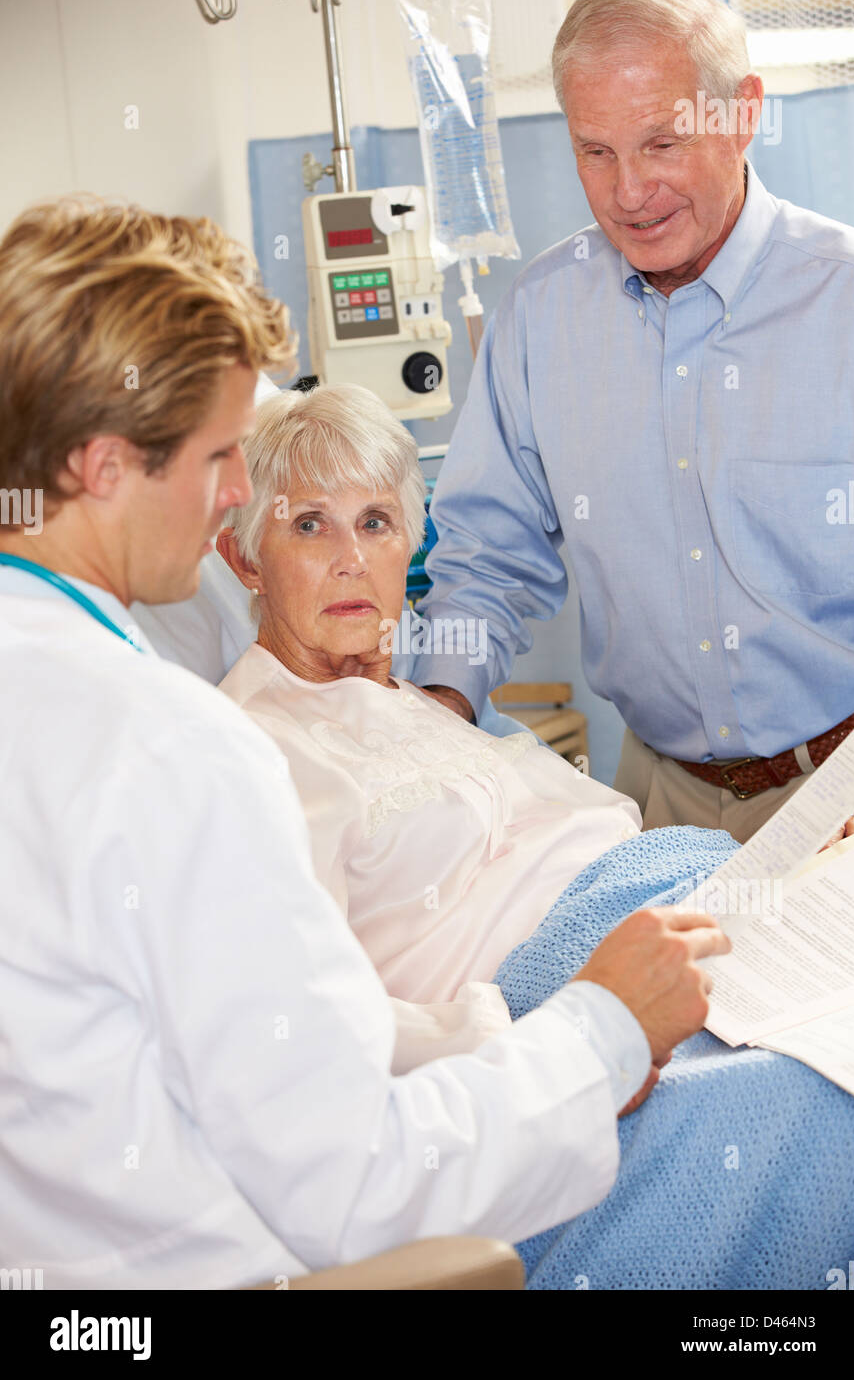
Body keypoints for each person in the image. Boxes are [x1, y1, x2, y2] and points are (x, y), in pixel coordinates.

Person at [0, 194, 726, 1289]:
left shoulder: (72, 701)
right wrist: (600, 1026)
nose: (235, 497)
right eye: (217, 459)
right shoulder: (177, 750)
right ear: (105, 467)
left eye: (373, 522)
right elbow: (351, 1174)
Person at [410, 0, 854, 845]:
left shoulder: (851, 304)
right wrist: (435, 712)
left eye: (662, 143)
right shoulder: (540, 317)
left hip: (847, 792)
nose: (629, 192)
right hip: (657, 795)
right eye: (596, 151)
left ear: (743, 115)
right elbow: (484, 554)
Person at [216, 382, 642, 1070]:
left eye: (376, 522)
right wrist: (519, 1052)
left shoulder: (425, 704)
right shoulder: (256, 750)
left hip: (672, 905)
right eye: (309, 524)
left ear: (410, 543)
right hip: (578, 1013)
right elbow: (306, 1010)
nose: (351, 556)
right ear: (245, 561)